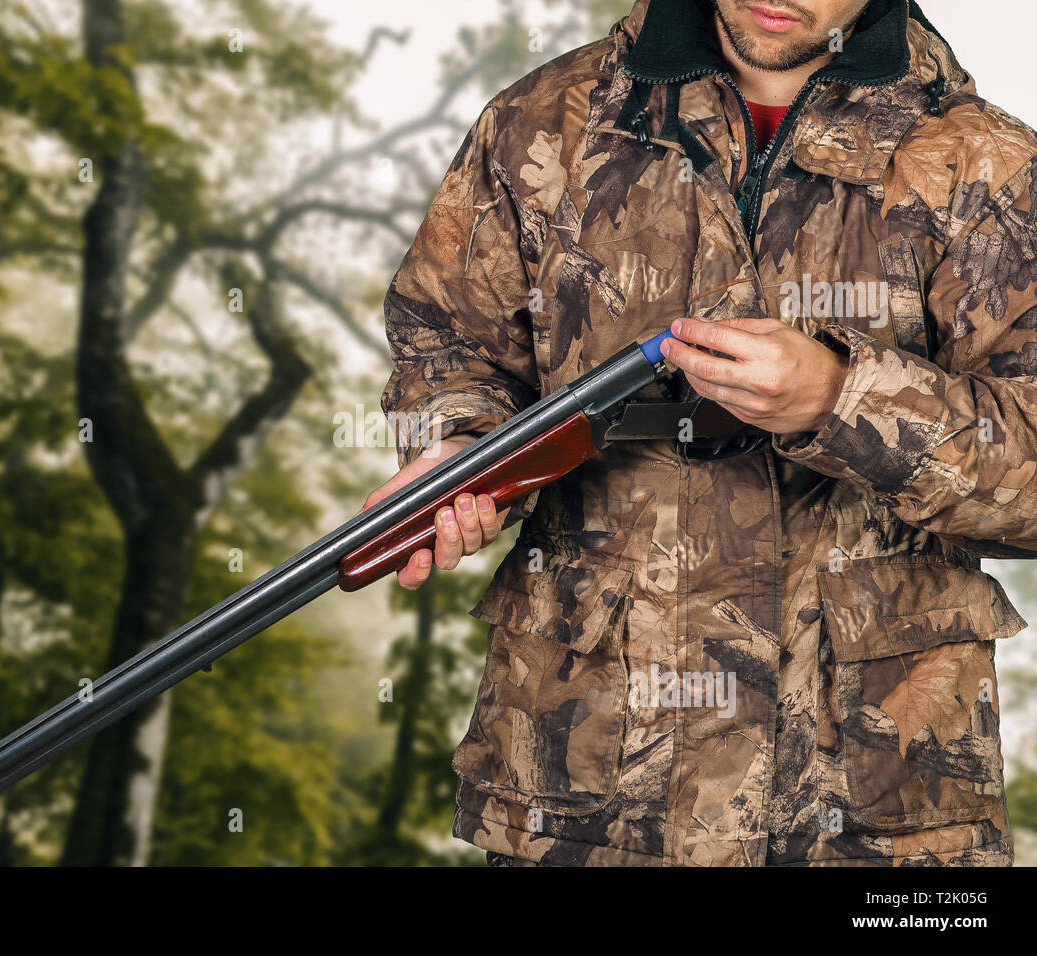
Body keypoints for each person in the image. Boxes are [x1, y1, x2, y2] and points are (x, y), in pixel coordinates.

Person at [365, 0, 1037, 866]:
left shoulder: (990, 168)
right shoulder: (543, 121)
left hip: (875, 815)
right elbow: (445, 346)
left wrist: (840, 398)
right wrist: (460, 447)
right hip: (587, 795)